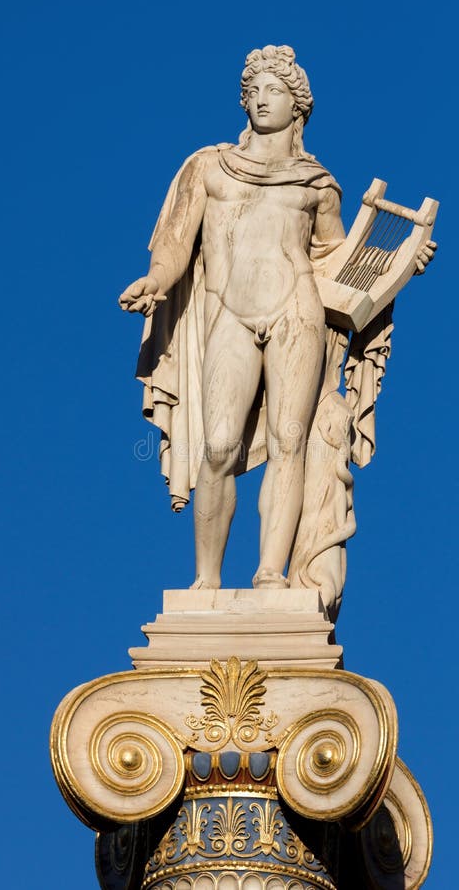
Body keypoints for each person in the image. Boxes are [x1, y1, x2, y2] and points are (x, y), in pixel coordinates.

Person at [119, 45, 434, 605]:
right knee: (217, 447)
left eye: (275, 91)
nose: (262, 100)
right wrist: (155, 282)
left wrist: (402, 262)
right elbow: (173, 245)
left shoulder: (318, 185)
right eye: (255, 91)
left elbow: (342, 267)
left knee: (291, 441)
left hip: (298, 311)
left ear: (299, 107)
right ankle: (206, 581)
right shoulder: (209, 167)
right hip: (231, 313)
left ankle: (270, 574)